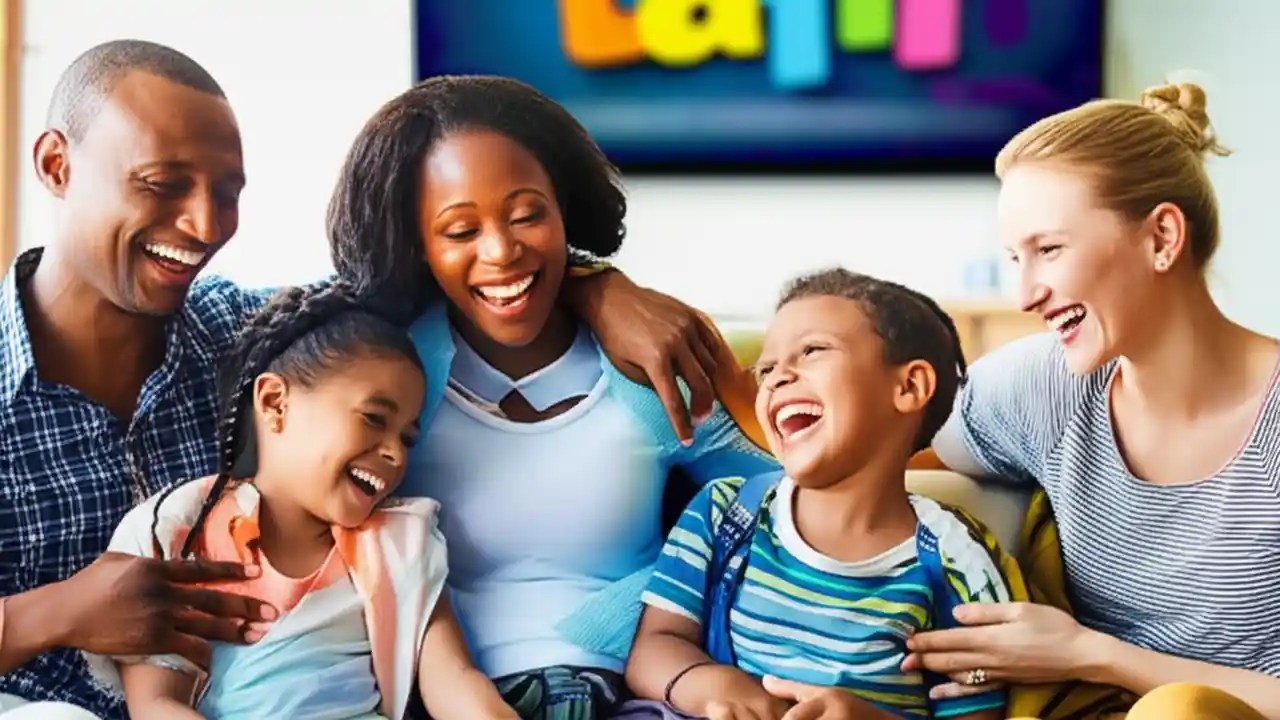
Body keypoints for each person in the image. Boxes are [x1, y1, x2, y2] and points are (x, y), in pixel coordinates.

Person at [0, 41, 742, 720]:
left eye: (227, 192)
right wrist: (51, 615)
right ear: (57, 166)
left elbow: (440, 276)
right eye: (163, 185)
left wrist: (596, 286)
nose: (203, 224)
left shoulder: (247, 339)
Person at [325, 75, 780, 719]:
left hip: (635, 692)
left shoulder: (645, 371)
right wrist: (596, 286)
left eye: (527, 214)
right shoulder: (388, 371)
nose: (502, 252)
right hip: (428, 693)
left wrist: (600, 286)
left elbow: (789, 494)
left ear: (563, 207)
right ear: (417, 245)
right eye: (459, 231)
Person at [903, 82, 1278, 719]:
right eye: (1014, 258)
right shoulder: (1042, 387)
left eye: (1049, 249)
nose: (1025, 294)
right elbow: (873, 457)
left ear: (1162, 237)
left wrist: (1089, 653)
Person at [95, 283, 515, 720]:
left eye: (408, 438)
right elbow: (157, 706)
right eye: (374, 419)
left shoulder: (398, 545)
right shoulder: (179, 529)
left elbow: (455, 681)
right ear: (275, 402)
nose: (395, 453)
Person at [621, 269, 1015, 720]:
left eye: (812, 350)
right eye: (766, 368)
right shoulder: (723, 512)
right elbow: (655, 645)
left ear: (908, 387)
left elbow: (979, 706)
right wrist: (711, 685)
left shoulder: (956, 561)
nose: (777, 377)